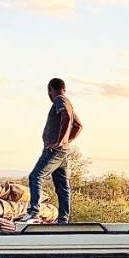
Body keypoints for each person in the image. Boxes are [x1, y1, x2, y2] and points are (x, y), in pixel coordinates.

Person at [26, 78, 82, 224]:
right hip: (64, 152)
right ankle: (63, 220)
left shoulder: (59, 100)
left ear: (50, 90)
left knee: (35, 177)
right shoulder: (68, 102)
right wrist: (66, 141)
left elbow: (67, 117)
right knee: (63, 188)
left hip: (55, 150)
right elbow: (78, 126)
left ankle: (33, 213)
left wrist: (59, 141)